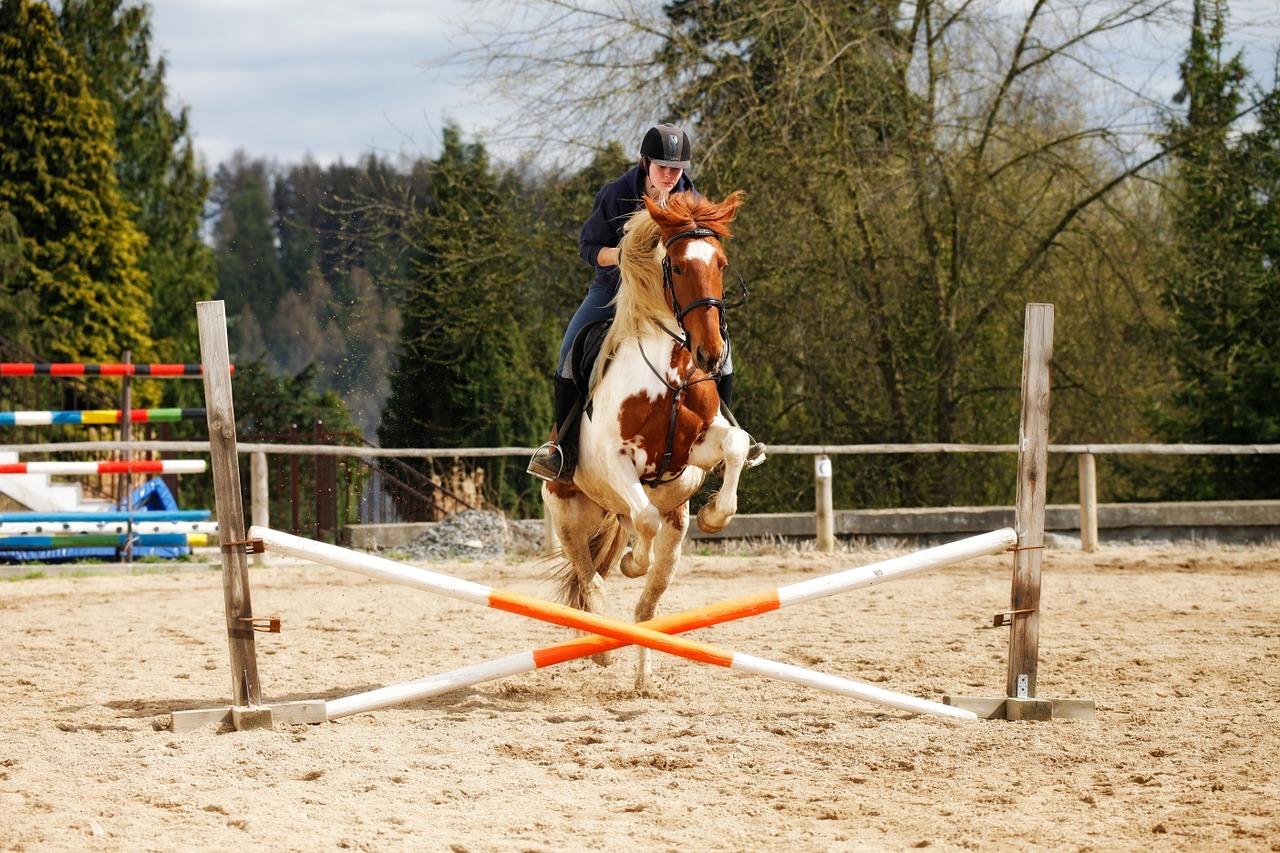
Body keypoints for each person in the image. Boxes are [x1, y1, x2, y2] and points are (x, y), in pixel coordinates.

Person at [527, 123, 763, 483]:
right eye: (662, 167)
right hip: (614, 289)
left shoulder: (689, 196)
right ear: (644, 163)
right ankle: (563, 448)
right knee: (570, 351)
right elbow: (588, 248)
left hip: (669, 296)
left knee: (722, 352)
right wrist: (621, 255)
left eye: (677, 168)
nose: (670, 175)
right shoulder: (616, 193)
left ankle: (728, 424)